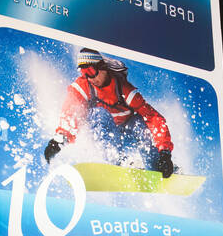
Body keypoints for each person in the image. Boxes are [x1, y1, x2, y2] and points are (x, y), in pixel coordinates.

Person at [44, 48, 176, 179]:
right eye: (84, 73)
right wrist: (58, 140)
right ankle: (117, 162)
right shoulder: (83, 87)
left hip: (127, 133)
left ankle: (156, 166)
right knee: (98, 113)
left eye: (90, 71)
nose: (89, 78)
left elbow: (153, 118)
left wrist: (165, 152)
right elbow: (71, 112)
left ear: (102, 68)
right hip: (106, 136)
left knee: (138, 123)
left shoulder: (124, 90)